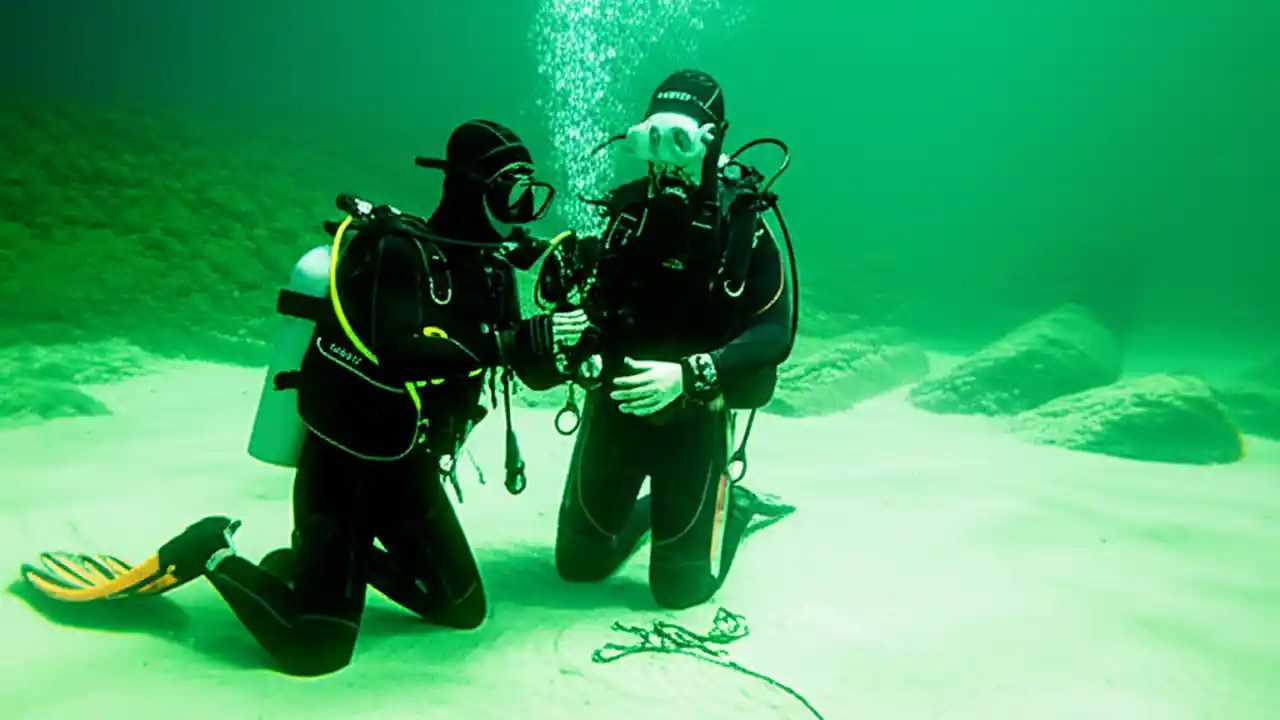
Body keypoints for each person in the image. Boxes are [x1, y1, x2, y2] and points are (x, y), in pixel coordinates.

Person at [19, 119, 584, 675]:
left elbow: (526, 372)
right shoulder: (397, 249)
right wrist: (510, 342)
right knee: (314, 651)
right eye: (511, 187)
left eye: (529, 190)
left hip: (408, 465)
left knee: (461, 608)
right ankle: (210, 550)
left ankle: (325, 567)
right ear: (468, 185)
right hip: (344, 464)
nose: (523, 205)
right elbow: (398, 352)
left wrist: (574, 342)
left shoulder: (494, 275)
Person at [535, 70, 799, 610]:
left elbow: (774, 332)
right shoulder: (625, 215)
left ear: (713, 139)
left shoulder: (743, 225)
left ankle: (734, 508)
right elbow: (592, 305)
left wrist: (690, 373)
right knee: (578, 565)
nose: (666, 160)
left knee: (680, 590)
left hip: (695, 419)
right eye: (653, 140)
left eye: (680, 140)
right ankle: (662, 508)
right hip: (614, 410)